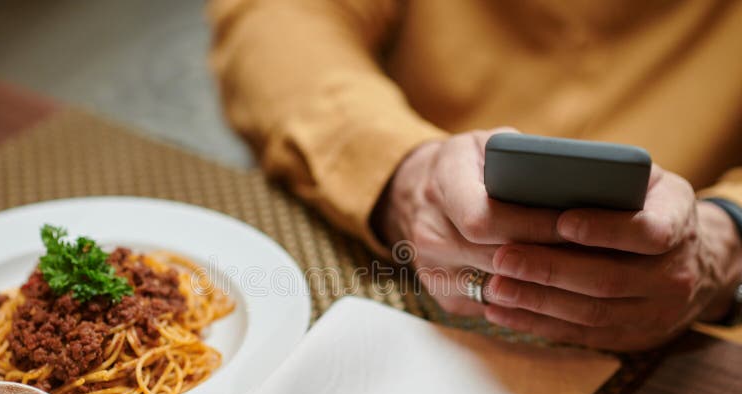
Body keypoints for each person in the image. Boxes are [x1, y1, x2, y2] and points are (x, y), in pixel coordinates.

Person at [208, 0, 742, 351]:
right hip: (381, 250)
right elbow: (279, 18)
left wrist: (723, 239)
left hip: (686, 326)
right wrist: (398, 170)